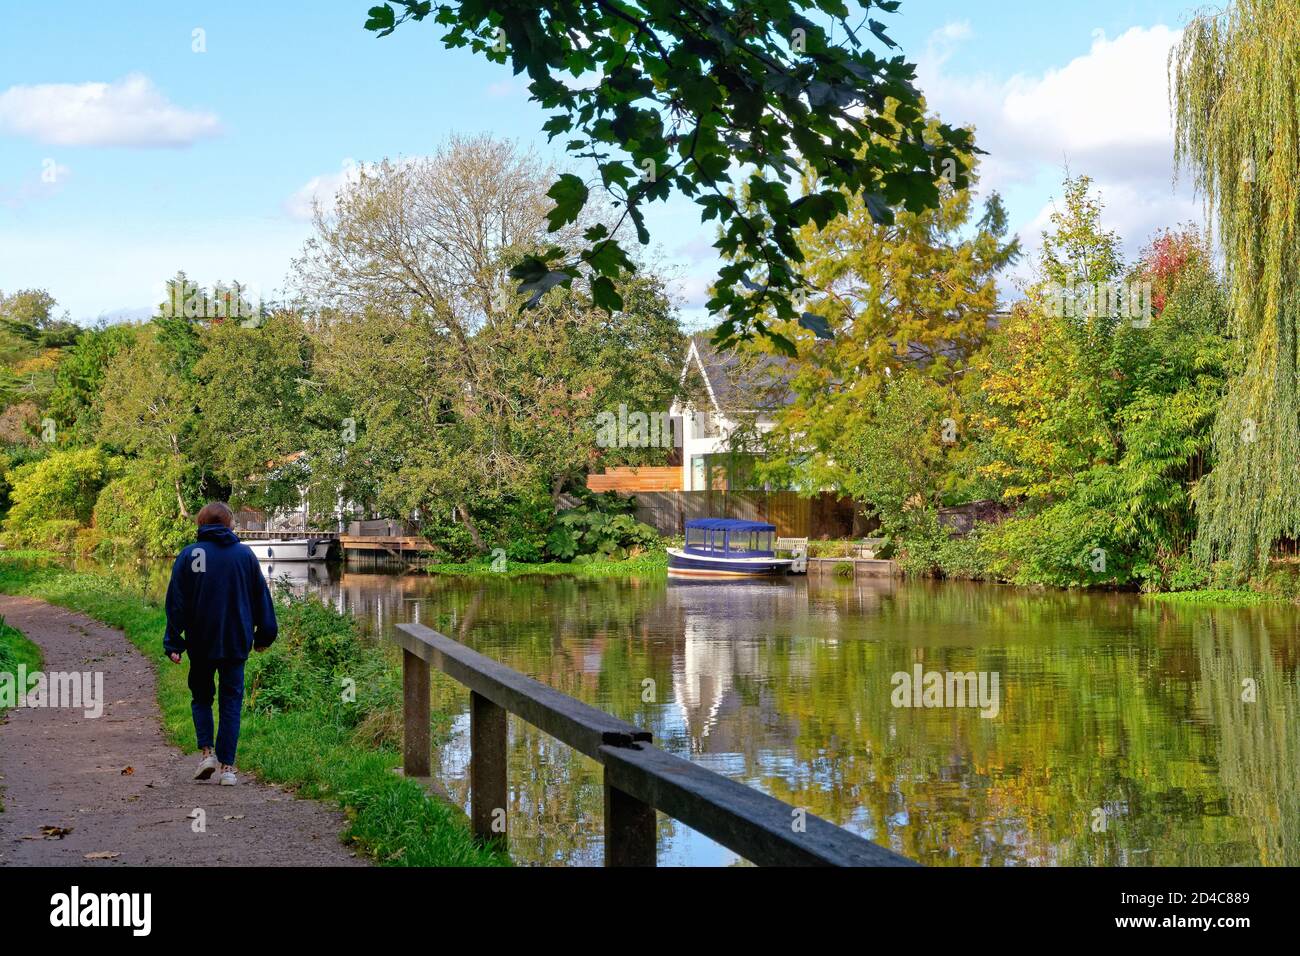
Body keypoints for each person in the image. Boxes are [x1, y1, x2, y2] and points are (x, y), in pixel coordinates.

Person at [163, 501, 277, 786]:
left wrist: (174, 642)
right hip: (236, 641)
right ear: (229, 525)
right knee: (230, 702)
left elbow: (176, 603)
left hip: (201, 641)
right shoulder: (244, 555)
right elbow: (261, 599)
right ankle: (227, 768)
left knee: (201, 698)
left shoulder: (190, 555)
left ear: (201, 525)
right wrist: (264, 636)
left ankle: (207, 753)